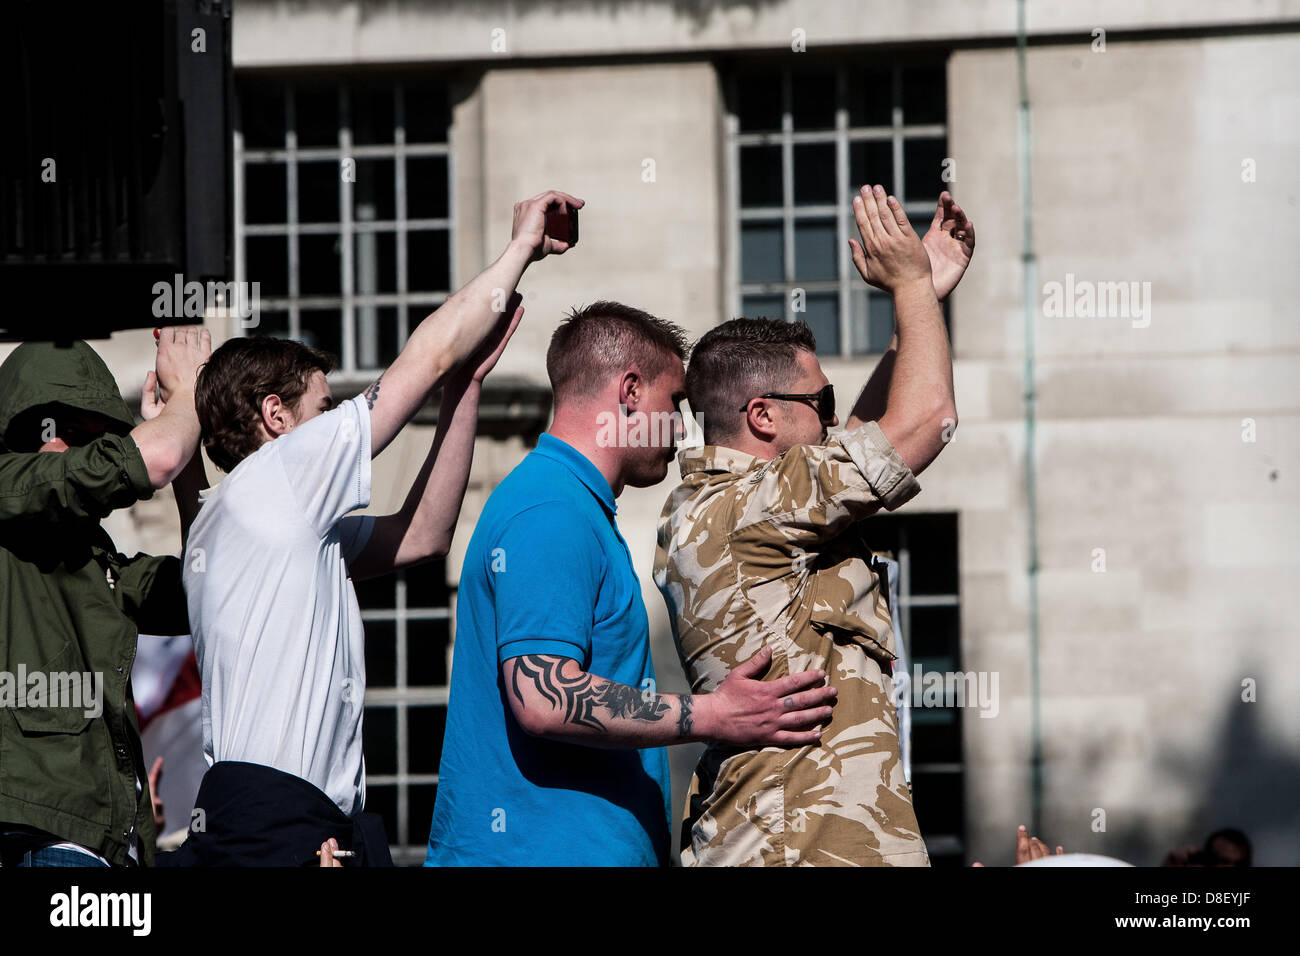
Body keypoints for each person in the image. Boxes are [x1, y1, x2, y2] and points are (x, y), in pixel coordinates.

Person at [167, 191, 579, 866]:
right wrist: (520, 252)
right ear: (275, 415)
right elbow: (427, 355)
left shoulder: (250, 523)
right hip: (283, 823)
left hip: (292, 821)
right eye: (321, 406)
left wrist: (465, 390)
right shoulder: (281, 478)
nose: (334, 422)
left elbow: (423, 537)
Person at [426, 301, 840, 866]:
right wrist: (714, 714)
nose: (684, 427)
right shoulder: (551, 508)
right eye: (675, 403)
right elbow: (542, 696)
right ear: (630, 392)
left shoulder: (572, 504)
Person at [653, 186, 974, 866]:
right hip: (799, 848)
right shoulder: (752, 506)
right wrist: (911, 285)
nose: (831, 418)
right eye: (819, 401)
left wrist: (920, 305)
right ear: (764, 416)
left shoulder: (725, 502)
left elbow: (857, 442)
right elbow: (924, 423)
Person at [0, 330, 210, 866]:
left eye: (94, 437)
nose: (77, 452)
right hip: (34, 836)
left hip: (100, 844)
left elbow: (213, 589)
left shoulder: (99, 563)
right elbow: (154, 457)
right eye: (63, 430)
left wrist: (188, 446)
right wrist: (185, 400)